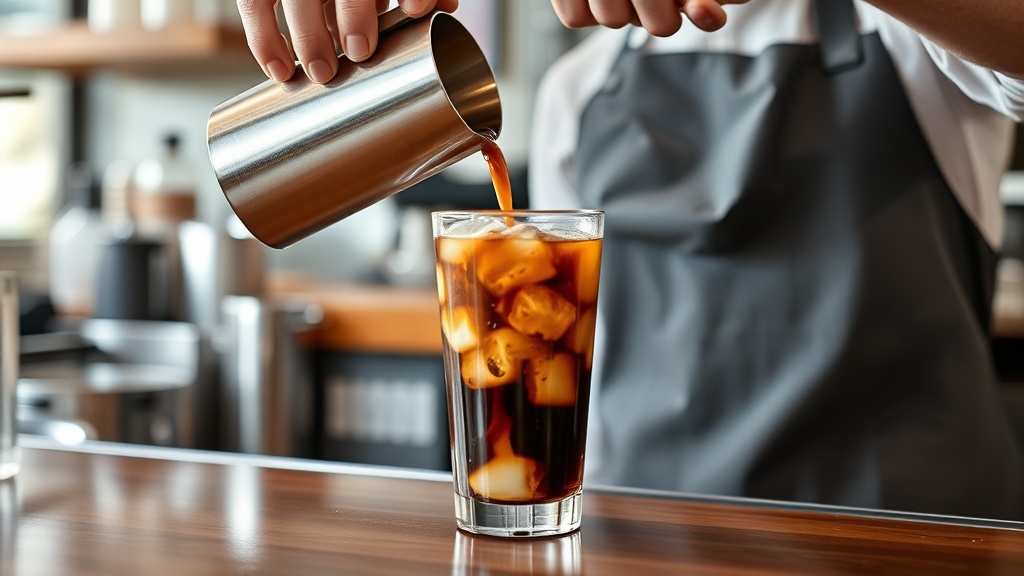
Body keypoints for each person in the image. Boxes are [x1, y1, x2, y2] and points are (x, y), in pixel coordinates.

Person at [237, 0, 1024, 521]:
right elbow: (577, 353)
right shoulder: (577, 87)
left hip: (907, 538)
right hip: (642, 538)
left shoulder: (932, 43)